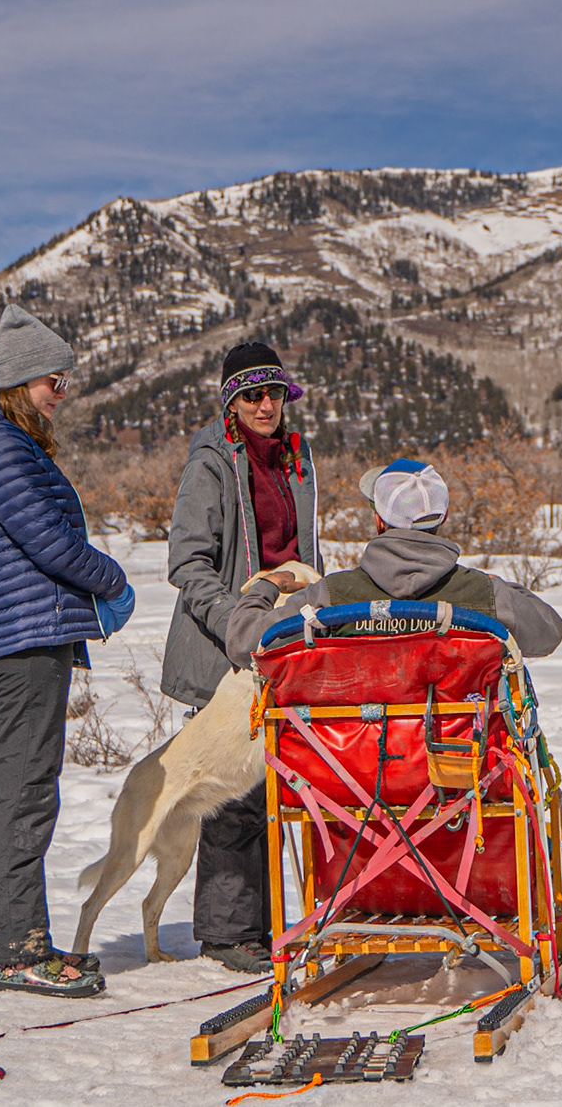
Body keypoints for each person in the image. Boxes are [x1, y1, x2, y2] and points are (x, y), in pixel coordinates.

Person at [0, 304, 134, 999]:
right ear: (20, 382)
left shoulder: (4, 441)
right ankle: (15, 947)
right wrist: (111, 578)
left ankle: (19, 937)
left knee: (27, 786)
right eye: (54, 381)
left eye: (65, 381)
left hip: (31, 634)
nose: (62, 392)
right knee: (23, 790)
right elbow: (47, 541)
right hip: (24, 639)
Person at [159, 341, 321, 973]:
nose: (265, 405)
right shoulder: (210, 463)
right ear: (231, 403)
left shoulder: (297, 458)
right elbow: (187, 562)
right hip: (223, 648)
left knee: (276, 784)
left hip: (284, 644)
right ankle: (228, 934)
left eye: (273, 392)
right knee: (230, 794)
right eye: (251, 395)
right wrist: (235, 622)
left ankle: (268, 922)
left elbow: (298, 550)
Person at [224, 457, 562, 663]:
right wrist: (494, 586)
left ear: (378, 521)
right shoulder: (484, 595)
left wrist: (267, 585)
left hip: (350, 756)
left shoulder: (331, 596)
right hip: (457, 754)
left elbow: (242, 643)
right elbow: (549, 633)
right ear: (442, 518)